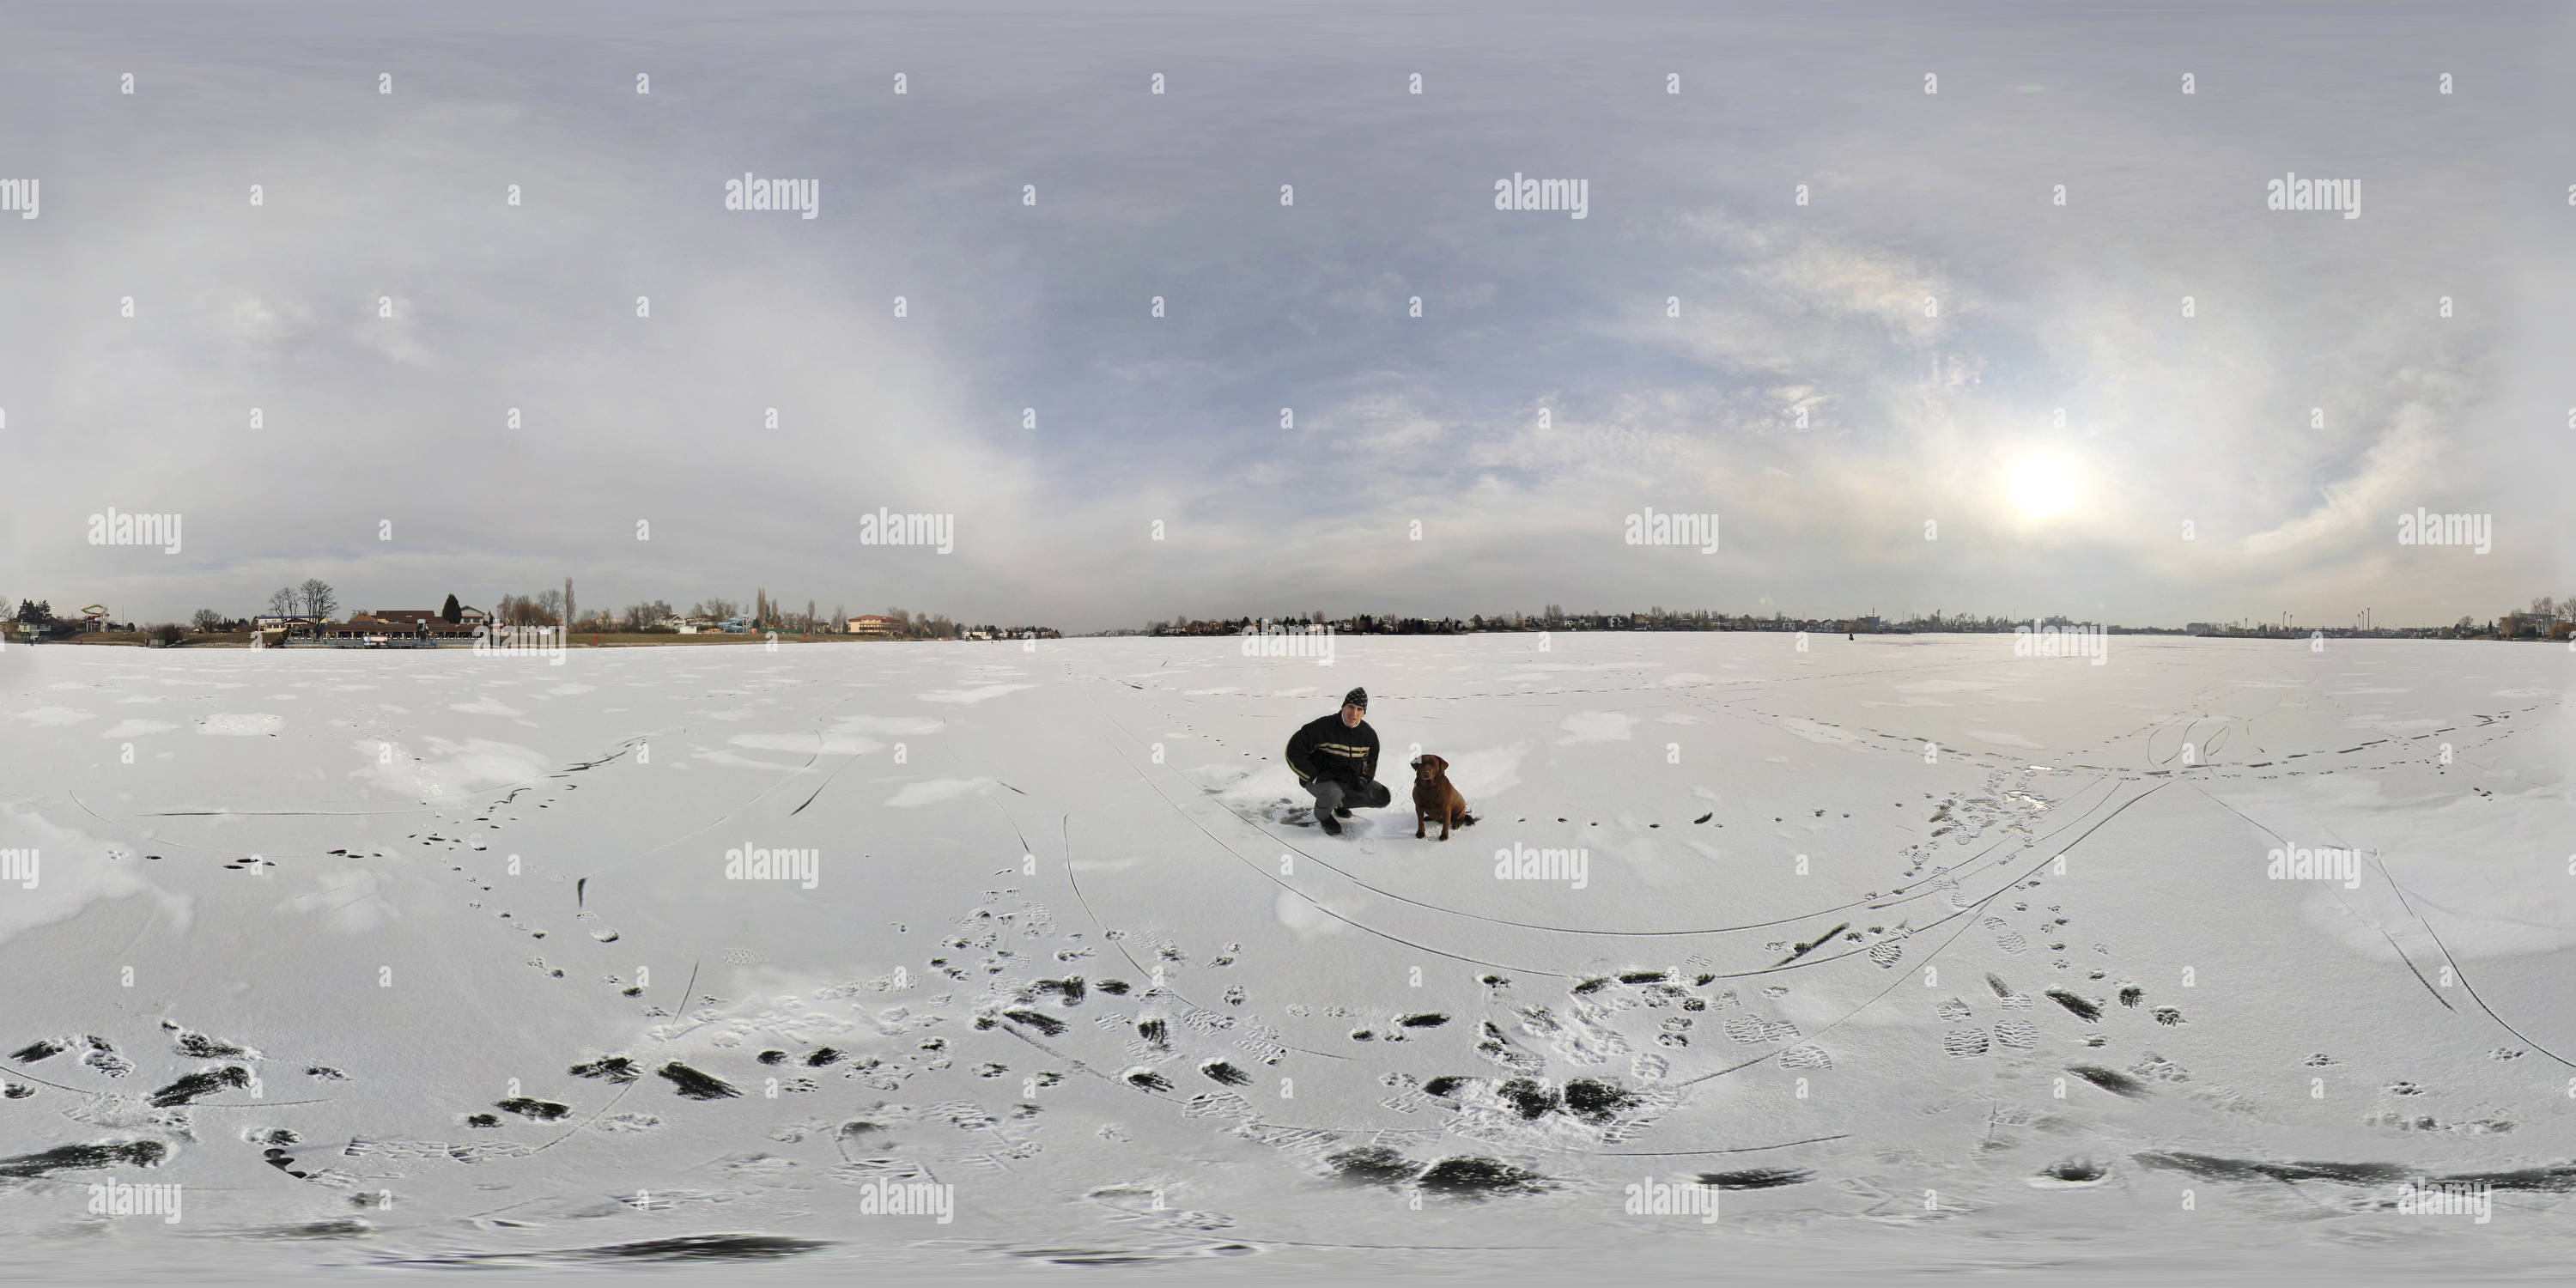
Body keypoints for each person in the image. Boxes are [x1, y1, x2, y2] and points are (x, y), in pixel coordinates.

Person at [1285, 687, 1388, 835]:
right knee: (1333, 793)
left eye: (1359, 709)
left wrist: (1363, 779)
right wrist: (1313, 776)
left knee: (1380, 795)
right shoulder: (1323, 727)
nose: (1354, 714)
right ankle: (1323, 815)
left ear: (1364, 712)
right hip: (1319, 779)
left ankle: (1340, 804)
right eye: (1350, 707)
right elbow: (1293, 750)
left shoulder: (1369, 736)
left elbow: (1370, 765)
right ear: (1343, 707)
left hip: (1346, 779)